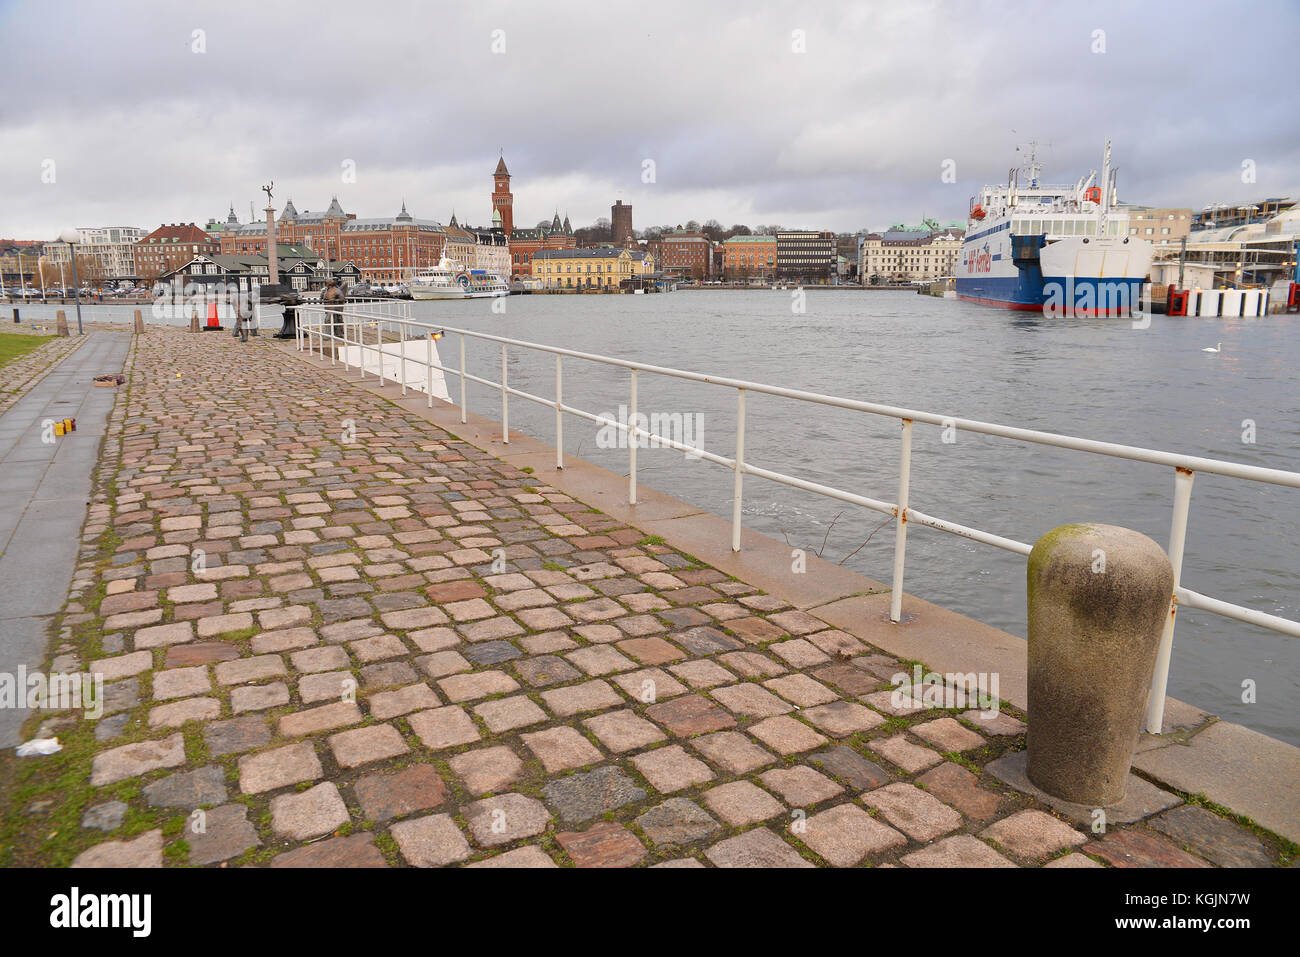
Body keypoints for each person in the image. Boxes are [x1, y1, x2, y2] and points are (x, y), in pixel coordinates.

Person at [322, 277, 346, 356]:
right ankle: (336, 334)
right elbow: (322, 298)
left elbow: (342, 299)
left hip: (334, 308)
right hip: (328, 308)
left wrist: (335, 300)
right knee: (331, 320)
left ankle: (329, 334)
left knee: (328, 320)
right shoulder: (326, 291)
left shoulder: (337, 290)